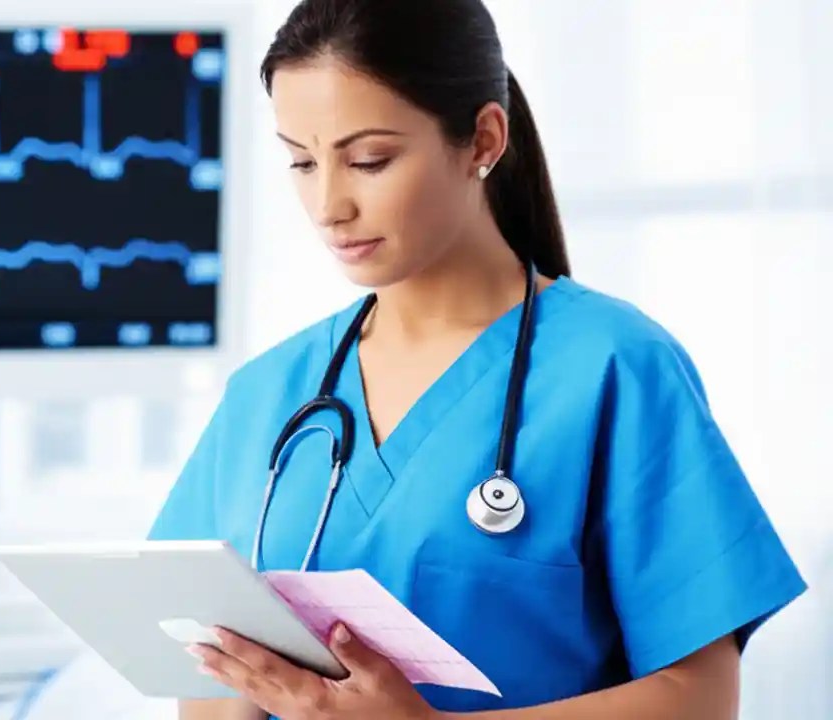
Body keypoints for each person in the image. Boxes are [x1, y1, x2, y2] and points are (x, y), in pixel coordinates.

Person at [146, 0, 808, 718]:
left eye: (370, 159)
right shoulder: (267, 396)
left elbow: (700, 700)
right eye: (302, 162)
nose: (328, 204)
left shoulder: (614, 368)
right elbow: (211, 683)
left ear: (482, 140)